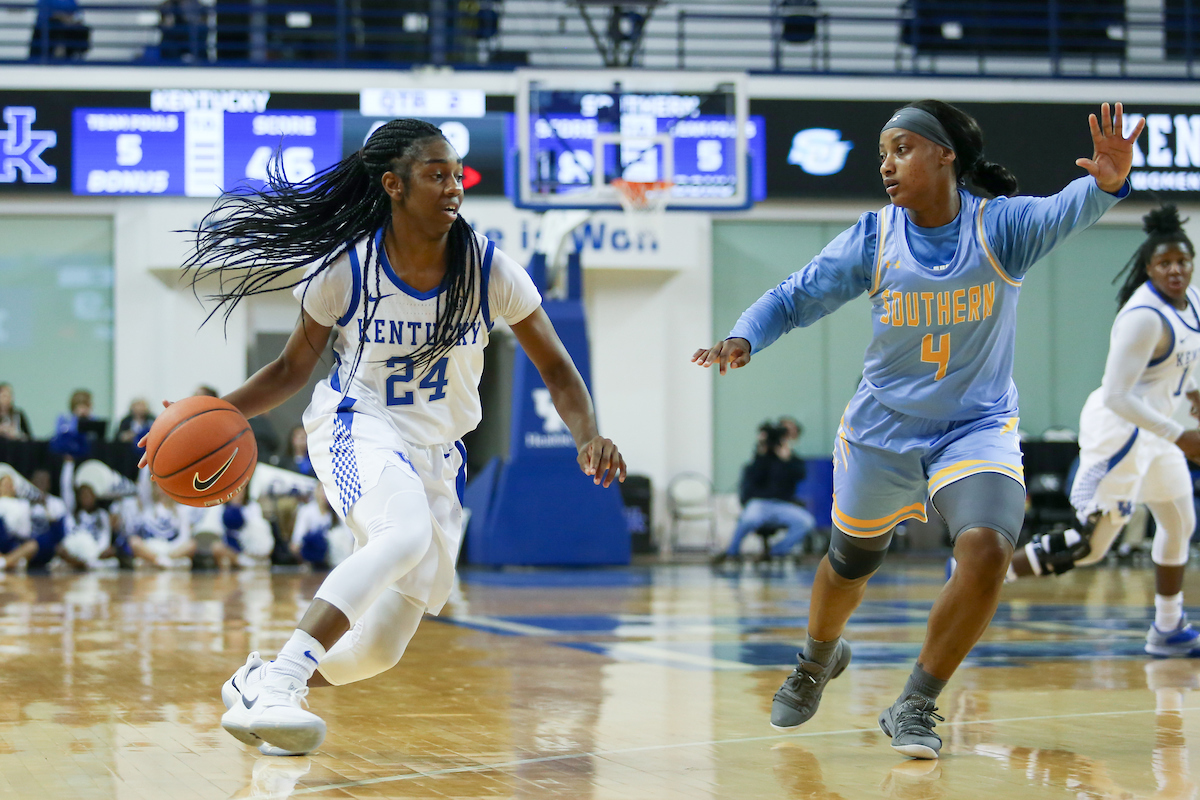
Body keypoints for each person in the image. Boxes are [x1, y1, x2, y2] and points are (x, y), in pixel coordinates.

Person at [141, 118, 626, 757]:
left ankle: (259, 675)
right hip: (355, 424)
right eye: (436, 175)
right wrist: (213, 412)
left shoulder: (489, 271)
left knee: (368, 655)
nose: (453, 187)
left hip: (437, 457)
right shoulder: (346, 269)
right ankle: (283, 685)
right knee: (403, 535)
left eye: (457, 175)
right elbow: (290, 370)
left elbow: (559, 371)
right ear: (394, 185)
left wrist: (588, 432)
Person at [693, 101, 1144, 759]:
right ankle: (817, 659)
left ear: (945, 155)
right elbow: (794, 297)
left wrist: (1106, 182)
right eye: (883, 153)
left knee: (988, 549)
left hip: (976, 426)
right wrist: (743, 336)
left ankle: (916, 701)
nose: (887, 164)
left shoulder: (1001, 229)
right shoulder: (876, 238)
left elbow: (1067, 209)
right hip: (883, 429)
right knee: (850, 564)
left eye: (901, 148)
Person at [1007, 205, 1200, 657]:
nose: (1175, 269)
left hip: (1158, 432)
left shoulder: (1191, 302)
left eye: (1182, 261)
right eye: (1165, 263)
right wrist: (1181, 435)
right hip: (1121, 435)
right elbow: (1117, 395)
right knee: (1087, 548)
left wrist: (1193, 394)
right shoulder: (1143, 317)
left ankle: (1168, 628)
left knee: (1179, 521)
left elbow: (1179, 363)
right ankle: (975, 573)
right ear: (1149, 268)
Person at [713, 420, 814, 564]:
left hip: (784, 505)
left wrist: (787, 459)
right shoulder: (760, 458)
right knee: (748, 518)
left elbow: (800, 475)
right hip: (759, 503)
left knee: (806, 522)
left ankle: (775, 552)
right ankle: (731, 552)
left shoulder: (792, 459)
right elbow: (750, 479)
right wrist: (761, 454)